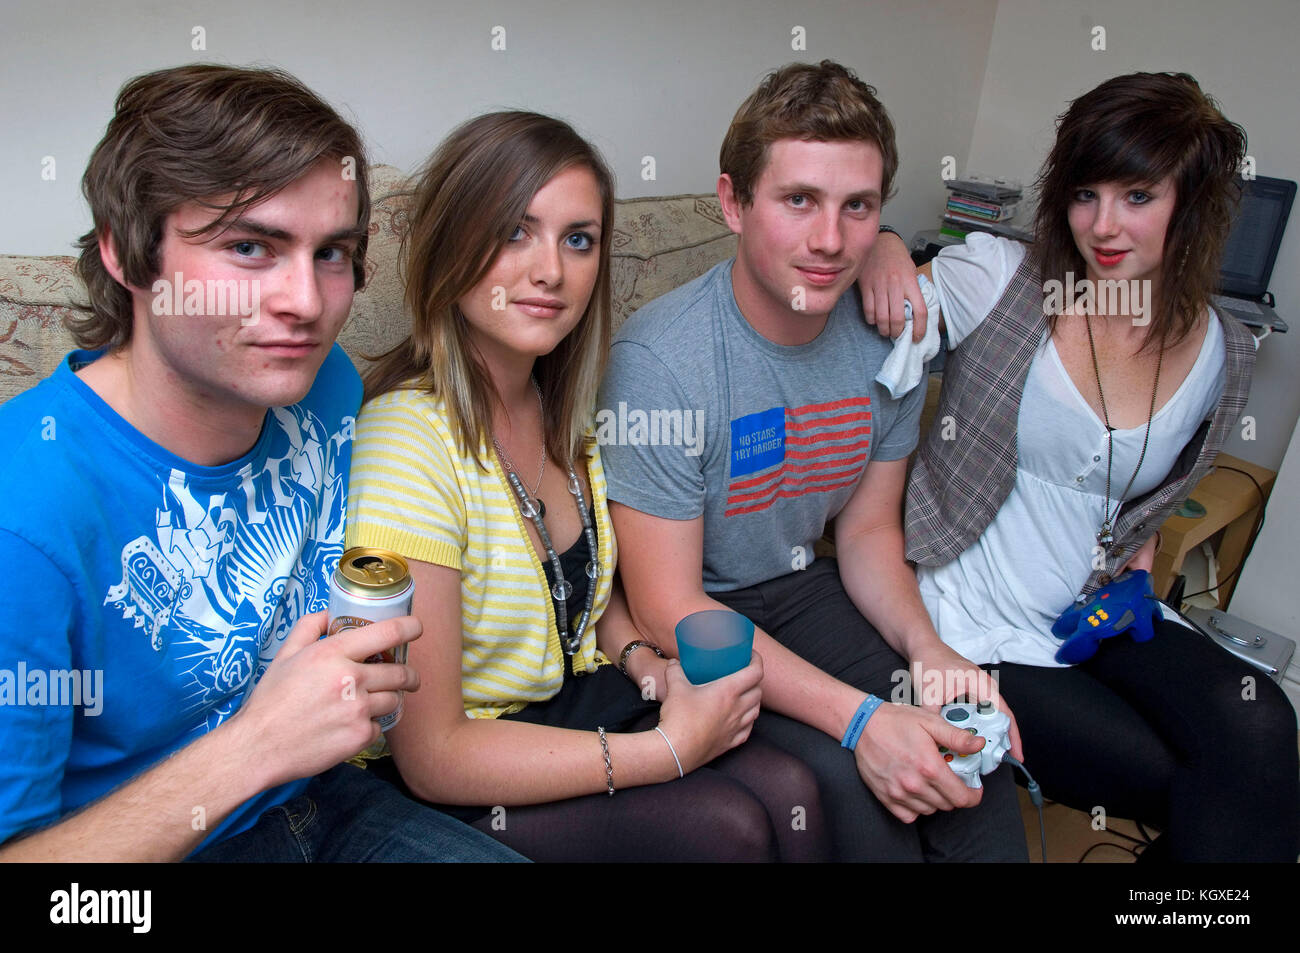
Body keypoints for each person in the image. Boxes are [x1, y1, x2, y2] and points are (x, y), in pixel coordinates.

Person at [0, 64, 521, 863]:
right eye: (251, 246)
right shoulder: (25, 517)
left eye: (333, 254)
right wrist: (255, 745)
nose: (307, 304)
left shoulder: (328, 386)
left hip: (323, 800)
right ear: (127, 254)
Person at [346, 110, 828, 862]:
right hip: (468, 767)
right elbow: (432, 753)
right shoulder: (406, 441)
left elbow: (580, 594)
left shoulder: (558, 401)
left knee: (794, 788)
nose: (552, 271)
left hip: (575, 699)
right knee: (727, 828)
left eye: (579, 239)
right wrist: (669, 749)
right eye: (515, 231)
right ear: (451, 240)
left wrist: (643, 660)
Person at [862, 71, 1299, 861]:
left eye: (1138, 196)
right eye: (1085, 194)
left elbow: (1152, 493)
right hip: (977, 608)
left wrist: (1141, 548)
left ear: (1191, 205)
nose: (1104, 224)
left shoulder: (1223, 351)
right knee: (1183, 777)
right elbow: (879, 299)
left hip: (1097, 612)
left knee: (1262, 721)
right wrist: (887, 242)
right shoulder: (998, 279)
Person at [599, 60, 1029, 861]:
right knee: (863, 796)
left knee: (971, 763)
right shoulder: (663, 359)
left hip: (805, 588)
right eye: (799, 200)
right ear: (734, 202)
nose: (831, 241)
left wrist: (928, 649)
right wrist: (864, 719)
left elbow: (866, 536)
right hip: (703, 620)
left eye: (858, 207)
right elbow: (668, 604)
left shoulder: (887, 336)